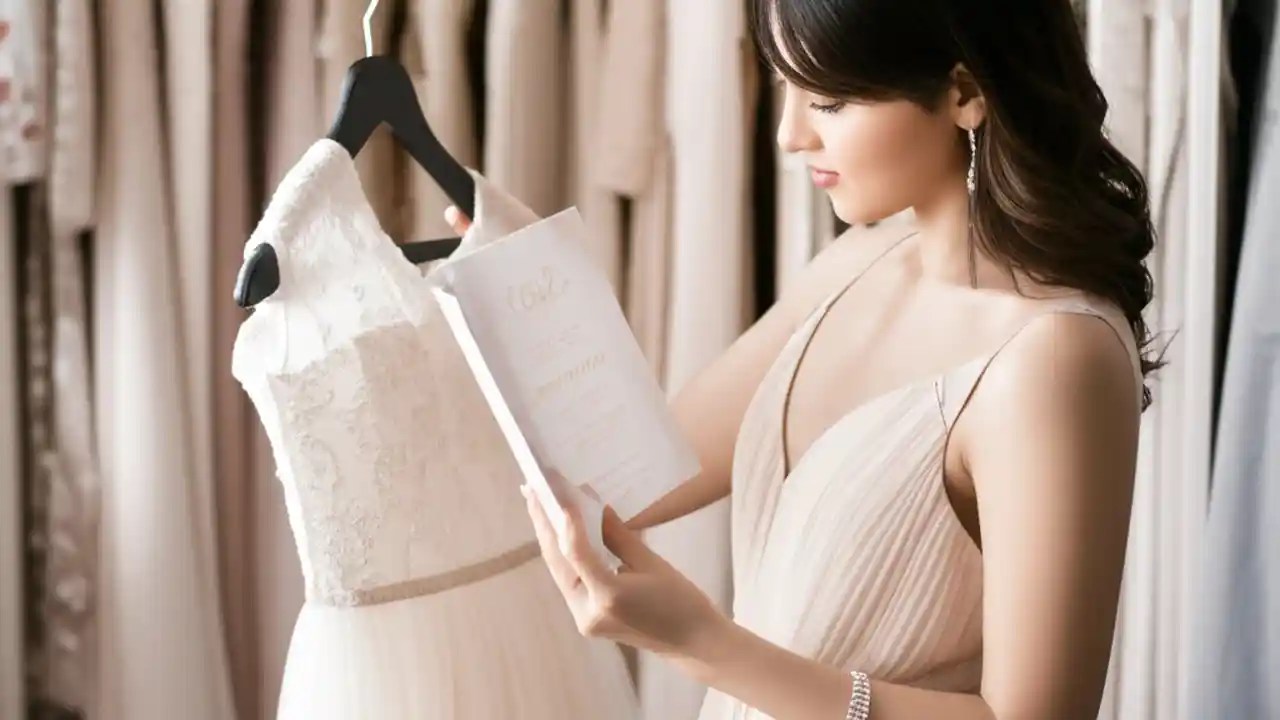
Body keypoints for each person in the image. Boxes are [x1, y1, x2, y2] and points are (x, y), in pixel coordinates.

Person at [447, 1, 1157, 717]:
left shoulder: (1053, 358)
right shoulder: (857, 262)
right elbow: (633, 475)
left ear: (965, 93)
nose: (790, 135)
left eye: (829, 101)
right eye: (784, 86)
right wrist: (529, 289)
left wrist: (703, 645)